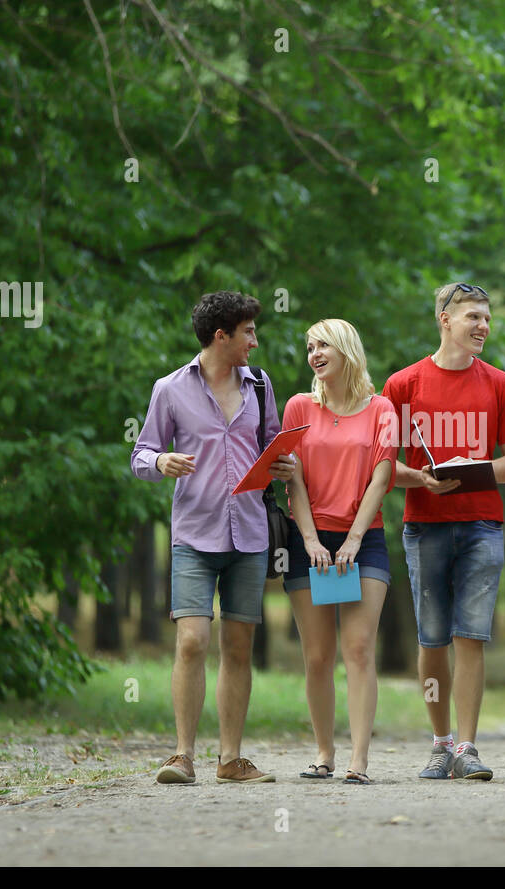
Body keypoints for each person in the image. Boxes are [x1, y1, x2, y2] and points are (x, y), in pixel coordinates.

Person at [131, 291, 295, 785]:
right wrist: (161, 462)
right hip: (194, 536)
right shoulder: (170, 389)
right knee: (191, 641)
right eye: (248, 332)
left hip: (249, 535)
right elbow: (141, 453)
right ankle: (182, 755)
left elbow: (271, 446)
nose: (255, 341)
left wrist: (283, 463)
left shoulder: (261, 385)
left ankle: (230, 759)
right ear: (221, 336)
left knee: (239, 647)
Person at [382, 282, 505, 781]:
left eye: (487, 317)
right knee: (432, 639)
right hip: (424, 526)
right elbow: (382, 466)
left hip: (483, 525)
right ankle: (440, 743)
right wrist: (421, 477)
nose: (483, 326)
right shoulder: (403, 385)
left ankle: (467, 747)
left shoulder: (500, 384)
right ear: (444, 319)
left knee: (471, 636)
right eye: (473, 317)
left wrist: (475, 468)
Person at [281, 319, 398, 785]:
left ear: (347, 348)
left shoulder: (382, 409)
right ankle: (324, 754)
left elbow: (383, 477)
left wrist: (351, 538)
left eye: (322, 344)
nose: (314, 353)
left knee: (359, 647)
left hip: (363, 540)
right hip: (307, 537)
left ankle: (358, 761)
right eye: (309, 347)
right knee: (317, 655)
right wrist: (310, 541)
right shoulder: (298, 407)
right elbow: (294, 477)